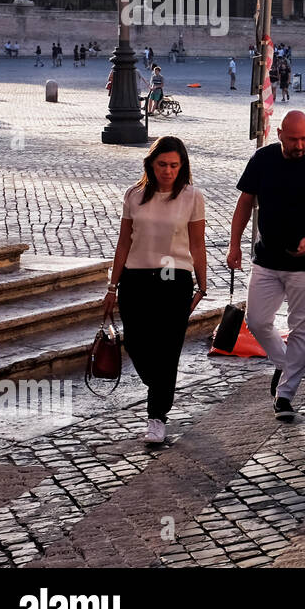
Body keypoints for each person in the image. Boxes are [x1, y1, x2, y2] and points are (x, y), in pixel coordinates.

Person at [227, 111, 305, 421]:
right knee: (256, 321)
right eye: (294, 139)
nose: (300, 145)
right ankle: (283, 364)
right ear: (279, 134)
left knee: (300, 330)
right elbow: (245, 202)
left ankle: (285, 395)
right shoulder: (262, 159)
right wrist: (234, 244)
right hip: (267, 258)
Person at [103, 136, 207, 443]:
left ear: (182, 166)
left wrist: (202, 284)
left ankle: (156, 418)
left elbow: (197, 244)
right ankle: (158, 385)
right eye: (162, 164)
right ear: (151, 164)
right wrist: (112, 287)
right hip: (136, 278)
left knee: (168, 349)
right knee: (135, 342)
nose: (168, 171)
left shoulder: (192, 197)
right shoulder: (134, 196)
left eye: (175, 165)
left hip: (174, 279)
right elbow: (124, 242)